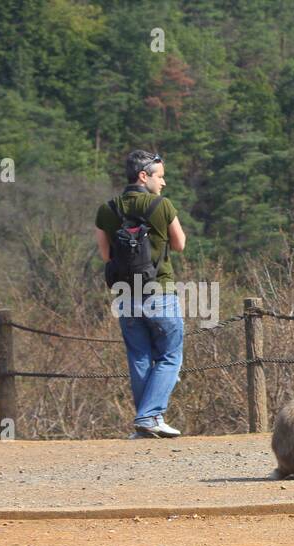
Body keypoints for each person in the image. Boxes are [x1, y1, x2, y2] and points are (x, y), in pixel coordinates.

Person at [94, 149, 187, 438]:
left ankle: (146, 422)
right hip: (160, 291)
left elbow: (105, 254)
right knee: (171, 356)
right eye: (160, 176)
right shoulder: (162, 206)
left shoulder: (107, 209)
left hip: (125, 295)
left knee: (139, 357)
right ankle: (149, 417)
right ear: (143, 176)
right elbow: (180, 244)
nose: (164, 183)